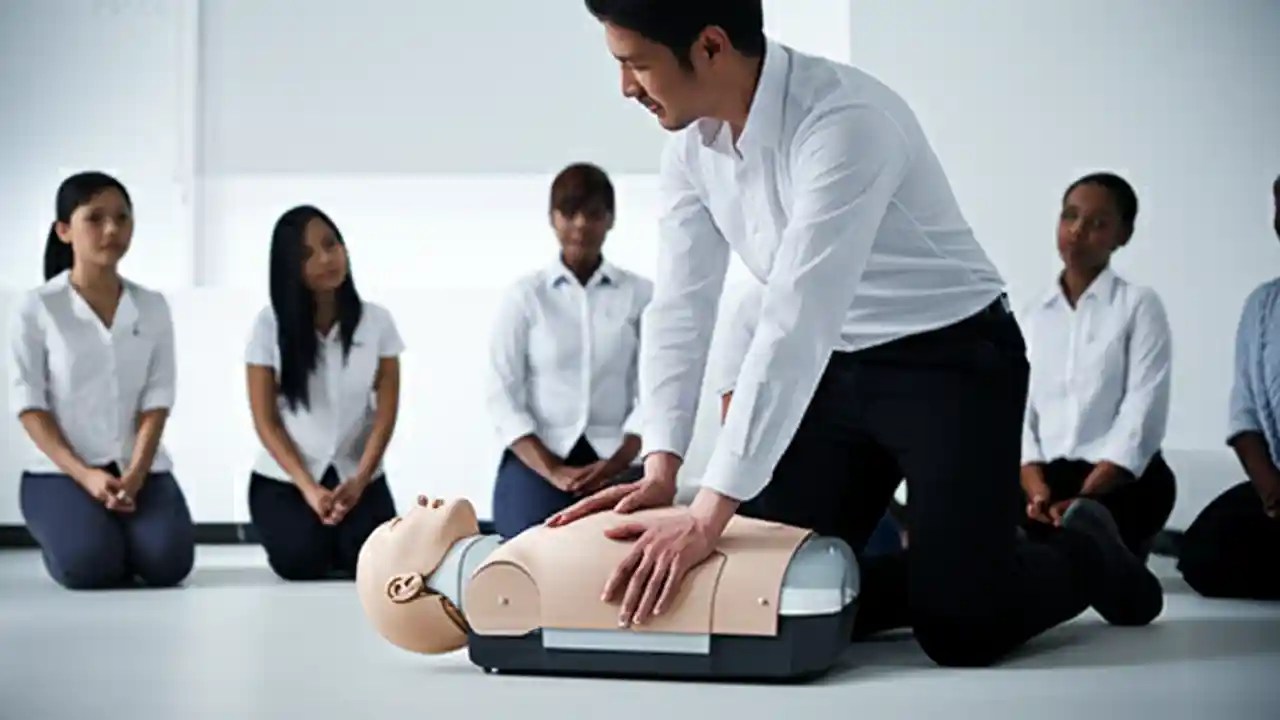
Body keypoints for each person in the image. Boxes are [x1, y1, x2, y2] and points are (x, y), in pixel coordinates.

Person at [551, 0, 1165, 667]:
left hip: (951, 361)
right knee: (771, 596)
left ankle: (1083, 547)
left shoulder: (845, 123)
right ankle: (946, 575)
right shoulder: (691, 147)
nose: (626, 88)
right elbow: (681, 306)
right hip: (838, 365)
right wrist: (663, 465)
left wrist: (706, 514)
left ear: (710, 46)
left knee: (962, 628)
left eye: (636, 65)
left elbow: (795, 318)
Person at [7, 171, 195, 589]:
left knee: (169, 565)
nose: (112, 229)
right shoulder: (38, 308)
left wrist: (136, 474)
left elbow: (157, 399)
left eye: (122, 218)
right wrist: (86, 475)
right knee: (90, 567)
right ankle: (77, 528)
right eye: (95, 218)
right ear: (64, 231)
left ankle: (118, 530)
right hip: (60, 472)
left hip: (139, 469)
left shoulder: (151, 306)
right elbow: (30, 405)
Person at [486, 163, 653, 539]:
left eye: (593, 214)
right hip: (538, 459)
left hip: (619, 457)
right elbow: (501, 393)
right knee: (528, 548)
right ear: (552, 218)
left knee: (619, 547)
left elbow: (657, 389)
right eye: (569, 213)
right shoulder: (525, 296)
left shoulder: (640, 295)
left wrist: (617, 463)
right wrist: (551, 470)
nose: (580, 224)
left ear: (610, 220)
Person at [1020, 173, 1176, 561]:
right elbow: (1019, 412)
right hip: (1047, 479)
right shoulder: (1033, 316)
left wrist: (1086, 498)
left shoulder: (1138, 305)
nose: (1077, 231)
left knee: (1078, 531)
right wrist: (1037, 490)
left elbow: (1143, 411)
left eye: (1097, 223)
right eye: (1069, 216)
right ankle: (1099, 558)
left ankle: (1099, 544)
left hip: (1120, 480)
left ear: (1123, 235)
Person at [245, 205, 402, 580]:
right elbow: (266, 421)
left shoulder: (376, 321)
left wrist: (362, 477)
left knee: (368, 564)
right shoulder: (269, 326)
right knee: (299, 563)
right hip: (287, 480)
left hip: (358, 476)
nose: (326, 259)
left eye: (331, 244)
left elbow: (385, 412)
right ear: (289, 267)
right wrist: (310, 488)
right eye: (308, 254)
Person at [708, 282, 904, 557]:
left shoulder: (873, 307)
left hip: (855, 474)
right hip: (775, 478)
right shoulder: (751, 303)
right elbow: (735, 424)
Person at [1177, 174, 1280, 600]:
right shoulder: (1262, 305)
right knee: (1205, 552)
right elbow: (1245, 416)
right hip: (1278, 483)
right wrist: (1271, 490)